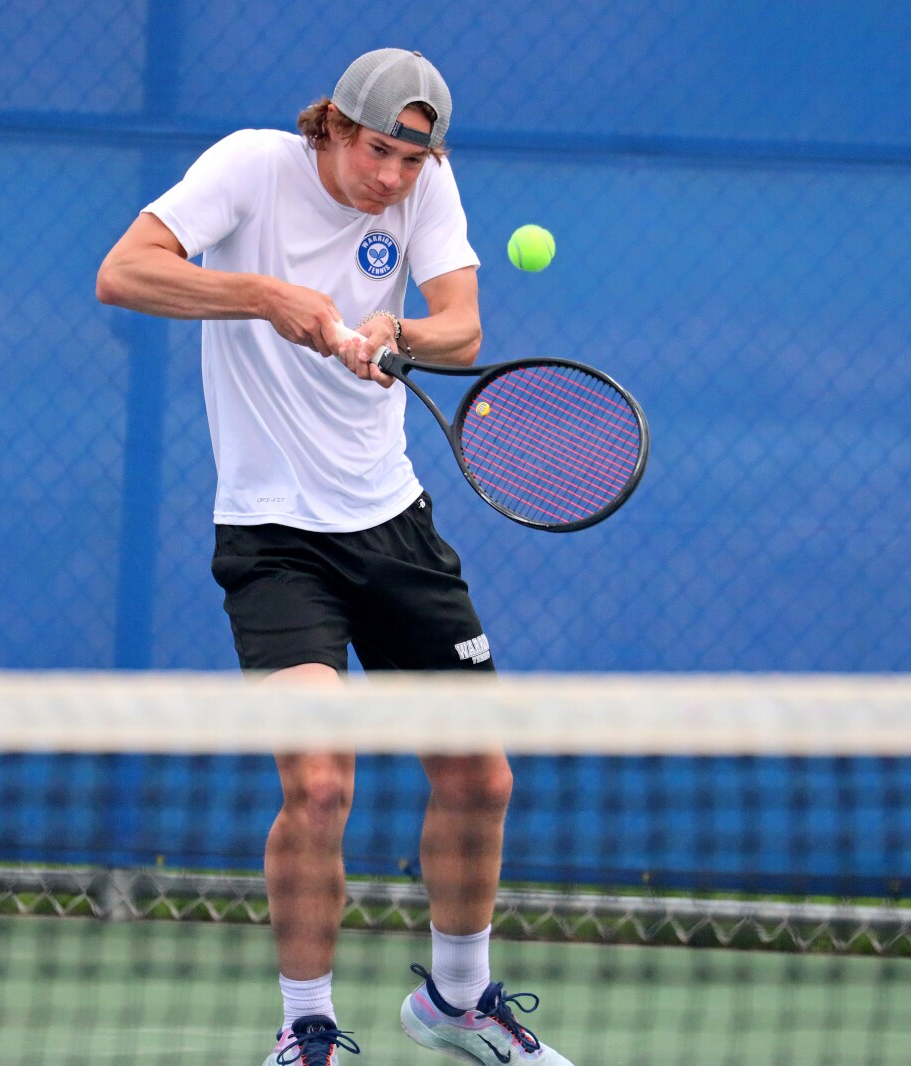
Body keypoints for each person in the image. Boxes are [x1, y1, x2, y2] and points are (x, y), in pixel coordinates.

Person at [96, 48, 572, 1066]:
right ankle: (306, 1025)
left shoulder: (425, 190)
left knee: (480, 776)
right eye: (378, 150)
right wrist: (267, 297)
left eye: (414, 157)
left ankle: (457, 1001)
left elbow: (463, 325)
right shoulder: (249, 167)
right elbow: (123, 272)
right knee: (317, 784)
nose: (394, 177)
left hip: (393, 526)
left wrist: (401, 327)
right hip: (275, 542)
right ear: (331, 126)